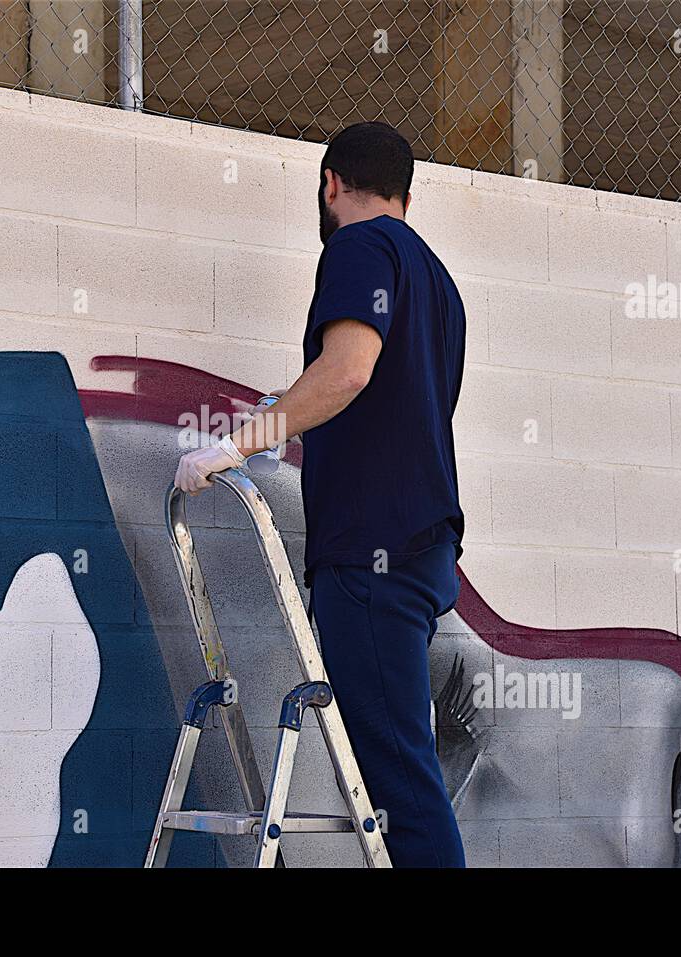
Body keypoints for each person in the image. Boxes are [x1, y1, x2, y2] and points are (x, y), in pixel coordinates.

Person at [173, 121, 468, 868]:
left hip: (374, 556)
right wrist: (284, 408)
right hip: (418, 552)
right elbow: (376, 395)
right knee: (400, 773)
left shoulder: (358, 247)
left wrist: (235, 446)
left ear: (331, 184)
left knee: (400, 788)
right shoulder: (437, 281)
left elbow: (348, 371)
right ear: (406, 193)